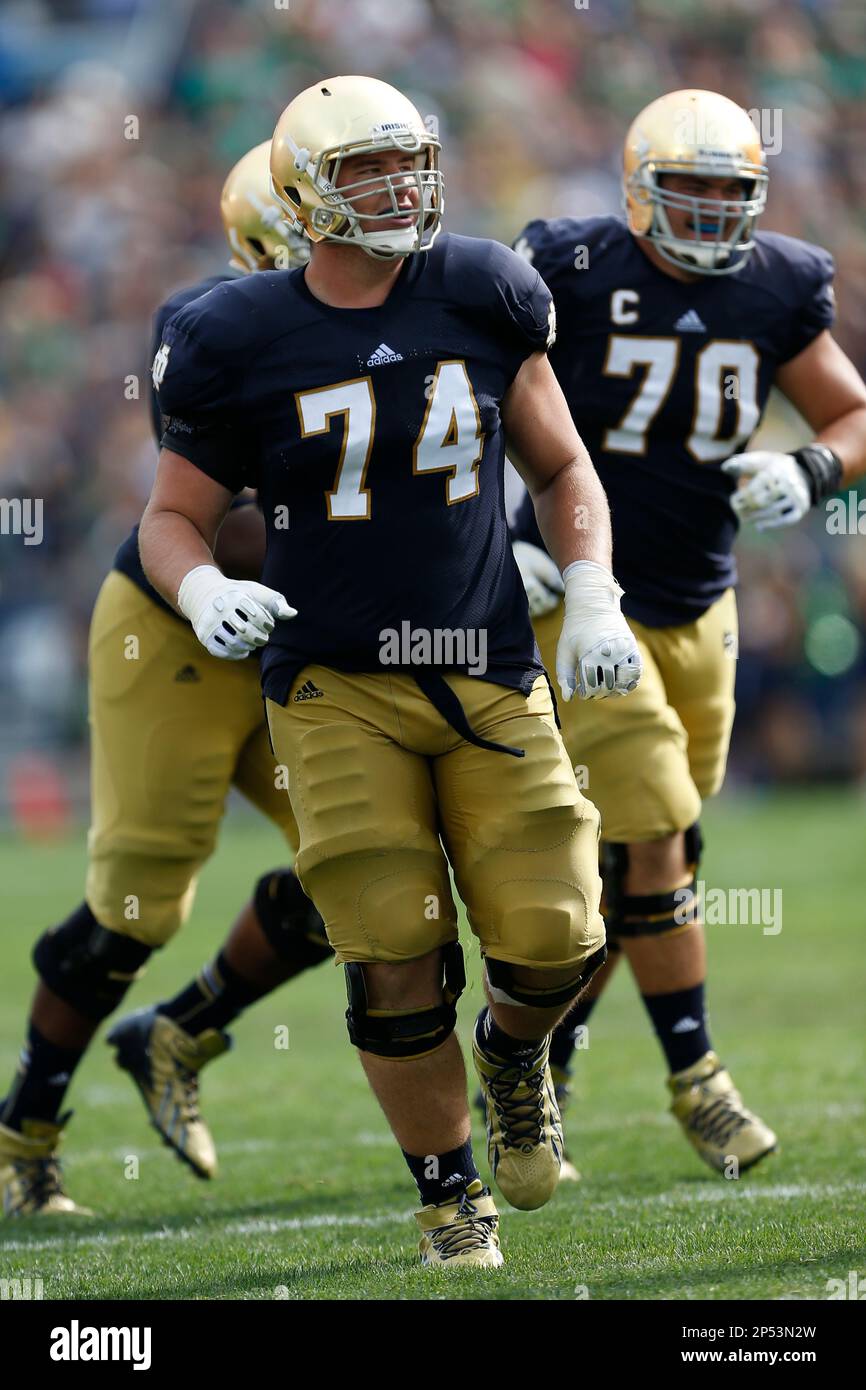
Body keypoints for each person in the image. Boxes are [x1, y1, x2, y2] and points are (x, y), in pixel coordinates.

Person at [139, 74, 641, 1268]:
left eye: (408, 158)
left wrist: (591, 589)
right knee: (386, 936)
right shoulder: (232, 333)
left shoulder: (480, 287)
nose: (399, 185)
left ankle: (513, 1052)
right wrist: (201, 586)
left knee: (559, 932)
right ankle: (445, 1195)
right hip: (333, 685)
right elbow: (171, 515)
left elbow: (563, 468)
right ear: (309, 195)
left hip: (484, 664)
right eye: (366, 168)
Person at [509, 89, 866, 1179]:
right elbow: (476, 401)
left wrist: (810, 467)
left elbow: (851, 416)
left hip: (699, 607)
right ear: (636, 190)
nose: (712, 213)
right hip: (580, 600)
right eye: (690, 190)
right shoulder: (568, 268)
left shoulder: (775, 285)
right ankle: (696, 1079)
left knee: (647, 864)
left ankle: (539, 1060)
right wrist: (495, 542)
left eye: (729, 193)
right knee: (655, 828)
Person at [0, 143, 328, 1219]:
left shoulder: (430, 311)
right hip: (183, 623)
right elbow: (217, 518)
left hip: (313, 637)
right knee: (139, 901)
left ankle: (178, 1032)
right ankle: (24, 1132)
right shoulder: (211, 328)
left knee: (376, 869)